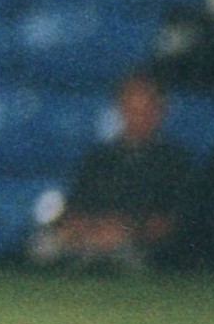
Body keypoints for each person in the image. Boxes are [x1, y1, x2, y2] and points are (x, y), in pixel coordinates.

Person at [29, 71, 195, 271]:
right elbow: (76, 206)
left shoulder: (177, 161)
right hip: (91, 236)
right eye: (131, 110)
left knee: (127, 252)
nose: (137, 118)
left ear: (160, 111)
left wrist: (126, 229)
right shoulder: (98, 157)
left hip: (135, 242)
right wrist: (80, 226)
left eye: (145, 111)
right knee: (43, 243)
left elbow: (169, 223)